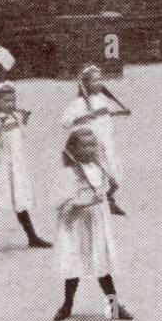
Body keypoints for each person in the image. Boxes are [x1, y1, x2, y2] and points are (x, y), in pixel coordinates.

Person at [51, 128, 133, 321]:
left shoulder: (98, 166)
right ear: (73, 148)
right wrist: (87, 201)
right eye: (85, 145)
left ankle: (114, 306)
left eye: (93, 144)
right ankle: (67, 305)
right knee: (74, 264)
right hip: (77, 225)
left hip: (96, 222)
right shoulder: (68, 172)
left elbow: (105, 189)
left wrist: (110, 188)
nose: (91, 149)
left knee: (101, 264)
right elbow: (62, 203)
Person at [0, 81, 52, 251]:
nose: (11, 104)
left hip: (15, 166)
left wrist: (22, 116)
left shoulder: (15, 116)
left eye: (13, 100)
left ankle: (32, 237)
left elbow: (21, 129)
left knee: (19, 199)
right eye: (6, 101)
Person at [61, 65, 128, 215]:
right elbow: (65, 121)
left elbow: (106, 112)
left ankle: (109, 198)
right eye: (94, 80)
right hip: (93, 144)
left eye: (100, 80)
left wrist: (120, 112)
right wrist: (81, 117)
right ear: (85, 84)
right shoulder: (79, 103)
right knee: (99, 173)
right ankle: (102, 201)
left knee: (115, 172)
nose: (98, 83)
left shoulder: (102, 98)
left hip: (107, 142)